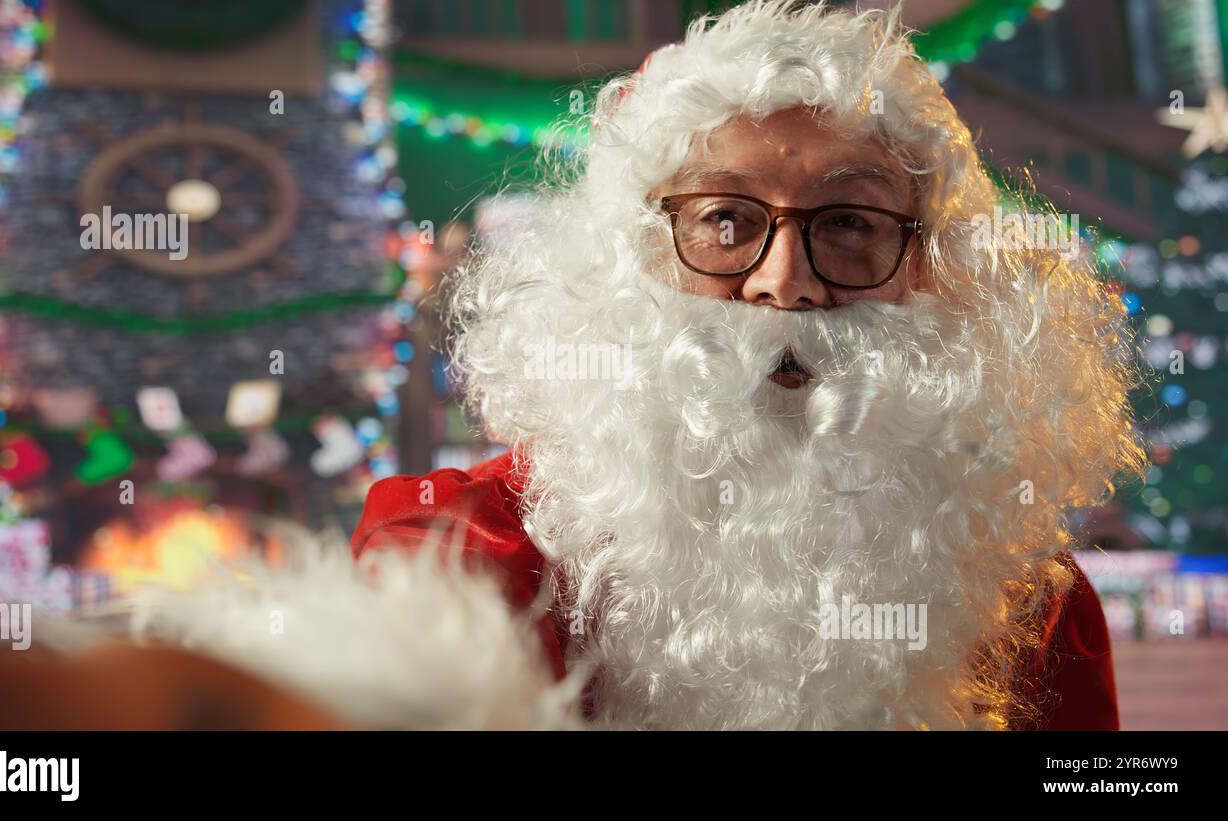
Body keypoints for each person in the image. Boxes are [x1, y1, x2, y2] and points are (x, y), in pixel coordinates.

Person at [352, 0, 1144, 730]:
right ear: (629, 261)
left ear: (932, 272)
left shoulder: (1028, 604)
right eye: (725, 219)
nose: (785, 282)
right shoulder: (464, 551)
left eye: (848, 222)